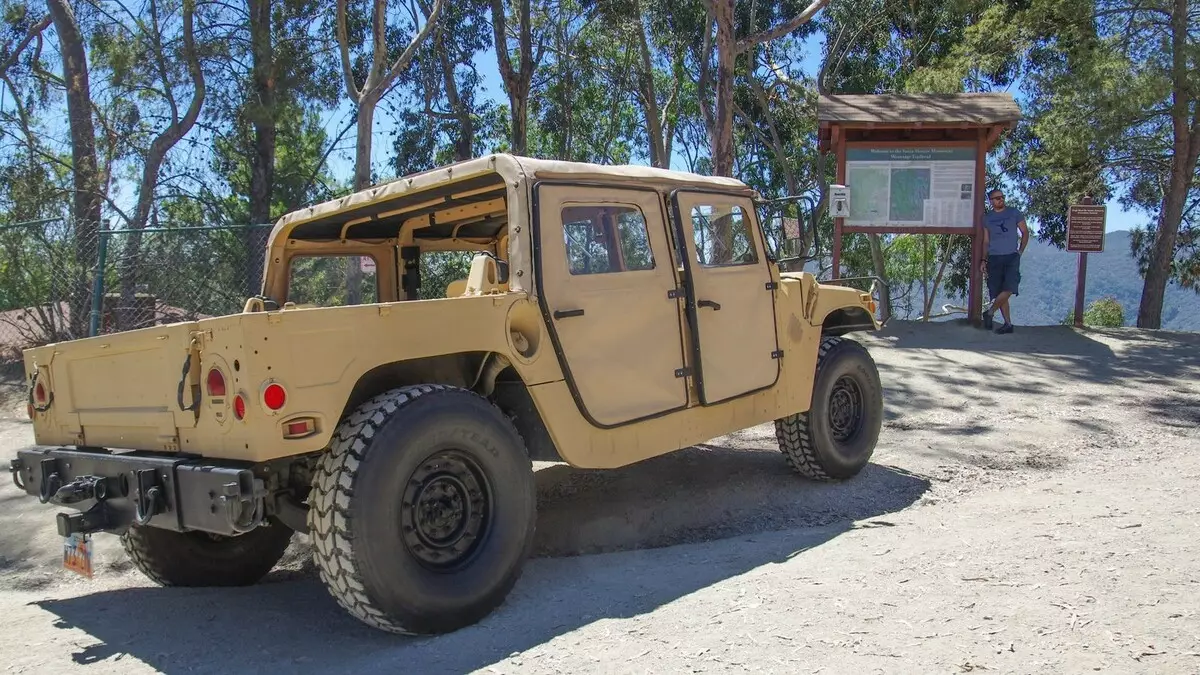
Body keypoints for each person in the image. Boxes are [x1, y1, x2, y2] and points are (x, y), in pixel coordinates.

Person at [979, 189, 1029, 333]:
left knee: (1010, 287)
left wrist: (1020, 251)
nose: (1001, 200)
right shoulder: (987, 218)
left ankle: (989, 312)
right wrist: (984, 259)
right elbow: (986, 241)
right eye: (997, 198)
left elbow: (1025, 232)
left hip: (1011, 256)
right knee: (1000, 291)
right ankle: (1008, 324)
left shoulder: (1014, 213)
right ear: (991, 201)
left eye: (1002, 197)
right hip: (994, 257)